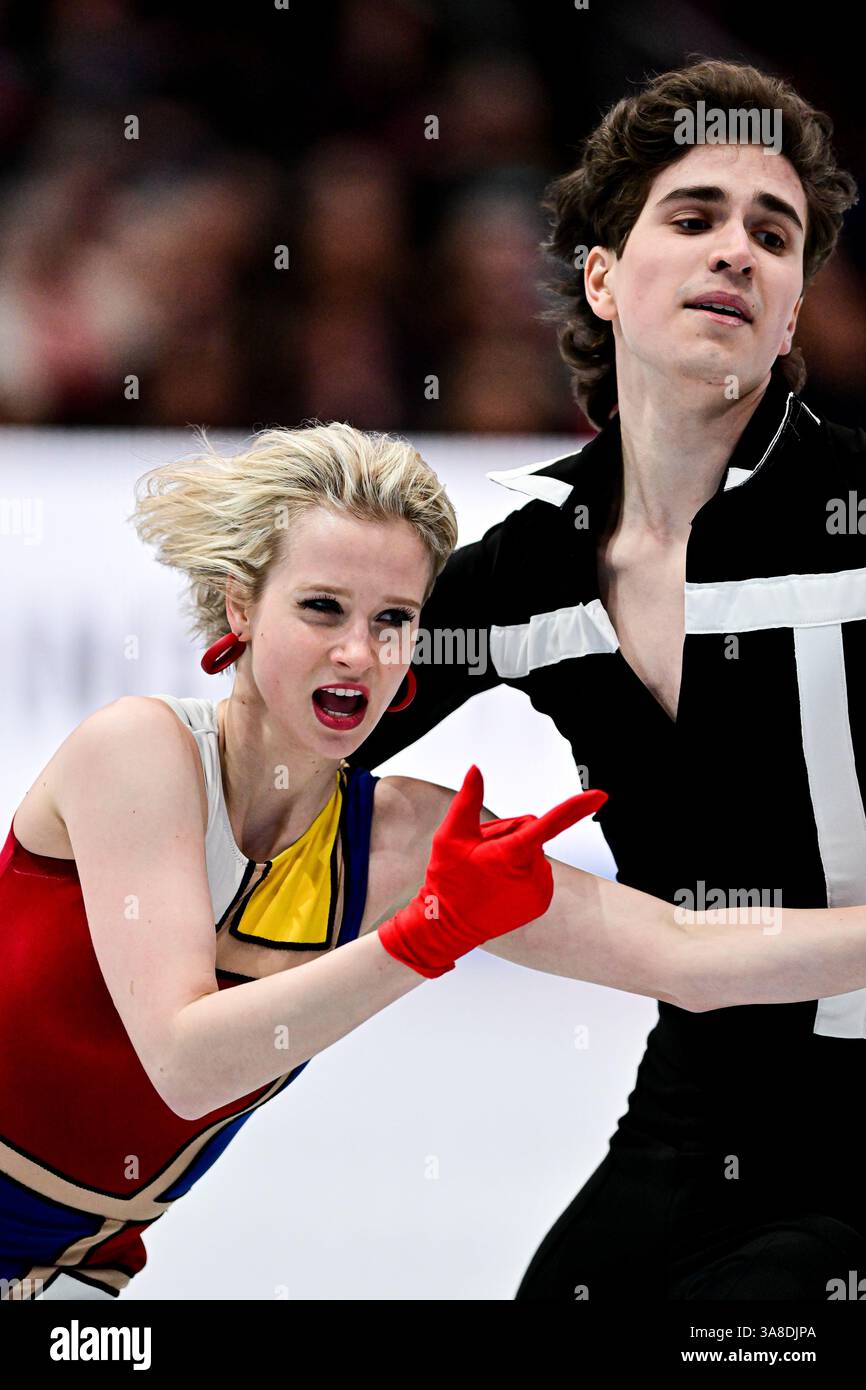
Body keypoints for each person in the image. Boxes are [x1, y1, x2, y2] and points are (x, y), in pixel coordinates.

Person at [346, 59, 866, 1300]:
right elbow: (298, 757)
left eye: (771, 235)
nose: (735, 251)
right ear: (601, 277)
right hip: (702, 1107)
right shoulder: (528, 565)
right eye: (691, 220)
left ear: (791, 310)